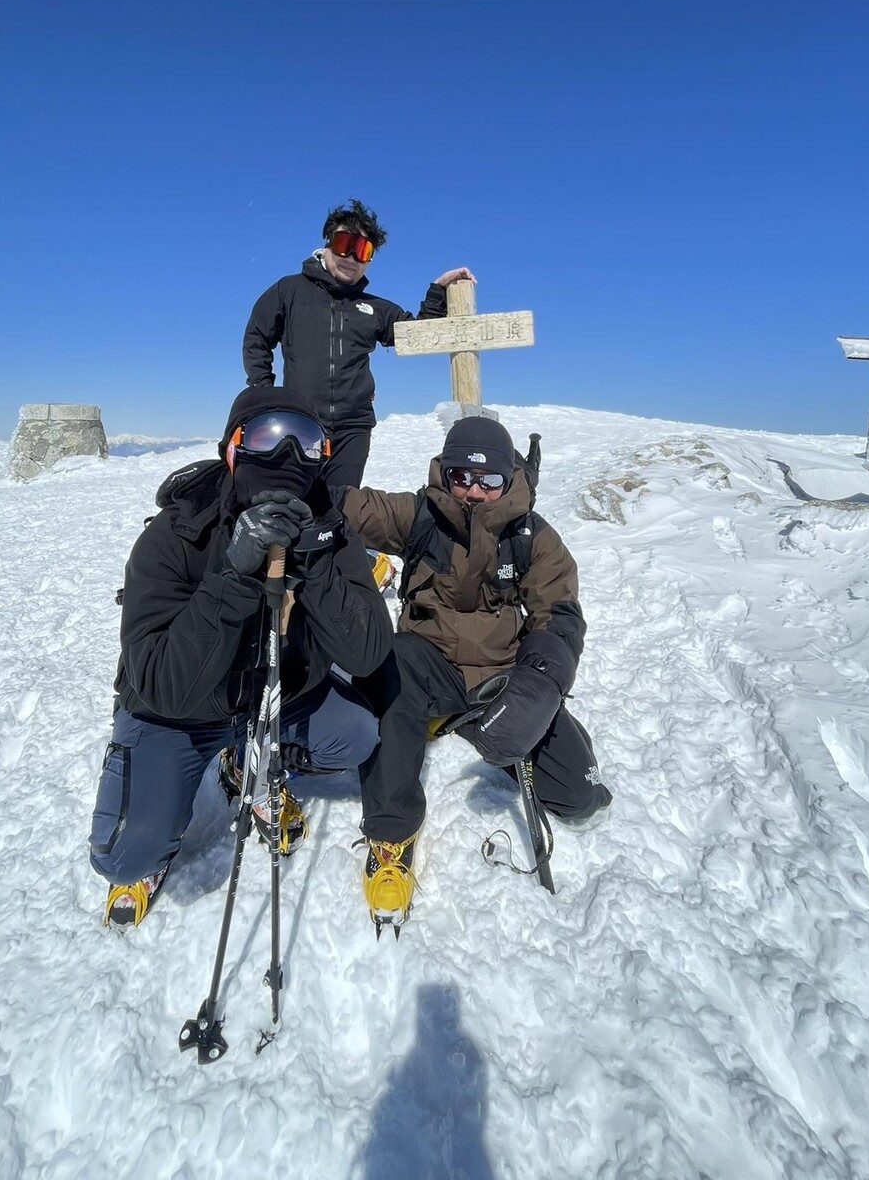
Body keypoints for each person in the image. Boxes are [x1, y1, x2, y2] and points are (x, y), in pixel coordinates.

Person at [89, 386, 392, 928]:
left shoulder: (329, 531)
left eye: (305, 441)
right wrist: (233, 576)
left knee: (356, 734)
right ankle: (170, 787)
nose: (285, 456)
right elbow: (160, 684)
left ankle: (246, 762)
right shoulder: (178, 534)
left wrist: (315, 561)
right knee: (121, 858)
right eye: (264, 436)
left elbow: (368, 651)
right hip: (177, 715)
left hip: (273, 702)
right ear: (232, 449)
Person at [338, 416, 612, 931]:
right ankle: (391, 835)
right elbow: (353, 506)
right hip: (428, 666)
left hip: (505, 678)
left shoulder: (533, 537)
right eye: (463, 476)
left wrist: (540, 684)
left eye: (490, 481)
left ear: (510, 478)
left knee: (579, 793)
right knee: (388, 663)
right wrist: (279, 478)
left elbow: (560, 617)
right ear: (446, 473)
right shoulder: (420, 515)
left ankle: (473, 725)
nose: (475, 491)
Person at [242, 198, 476, 488]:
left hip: (353, 428)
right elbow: (256, 337)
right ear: (327, 245)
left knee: (340, 506)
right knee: (294, 502)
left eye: (363, 250)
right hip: (301, 421)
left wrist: (438, 290)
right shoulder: (288, 291)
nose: (351, 257)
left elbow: (416, 333)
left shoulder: (374, 308)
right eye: (344, 244)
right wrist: (265, 392)